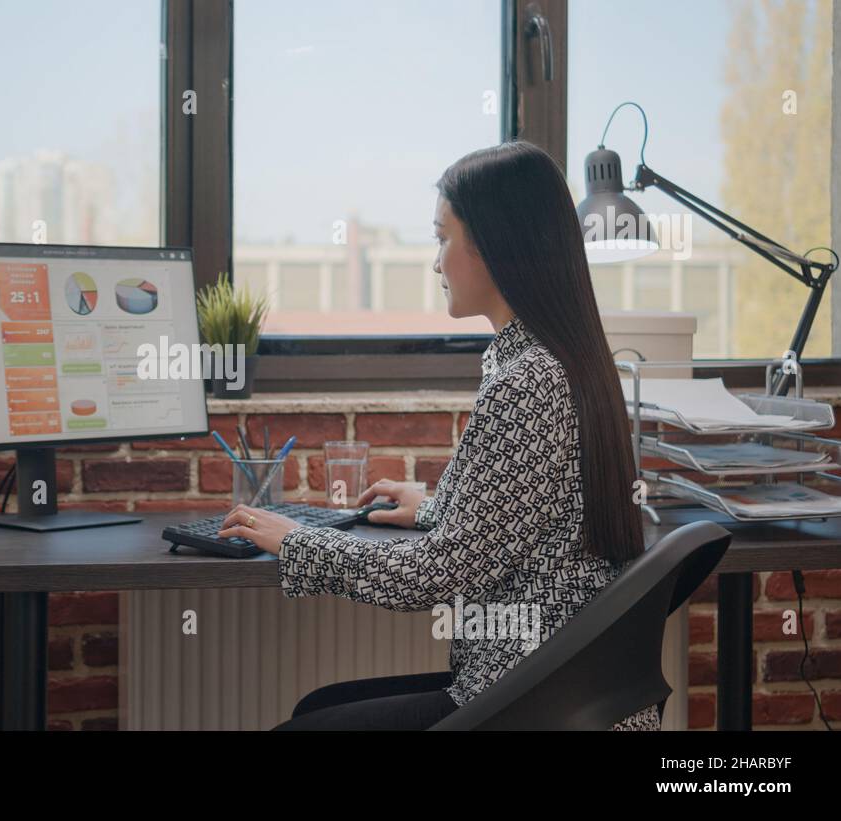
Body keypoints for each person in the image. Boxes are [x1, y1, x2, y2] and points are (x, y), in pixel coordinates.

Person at [218, 140, 661, 731]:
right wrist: (433, 507)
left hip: (530, 699)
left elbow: (432, 575)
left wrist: (296, 541)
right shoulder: (558, 358)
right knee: (313, 712)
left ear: (493, 246)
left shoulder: (529, 380)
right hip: (555, 684)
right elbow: (522, 519)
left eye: (441, 238)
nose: (435, 263)